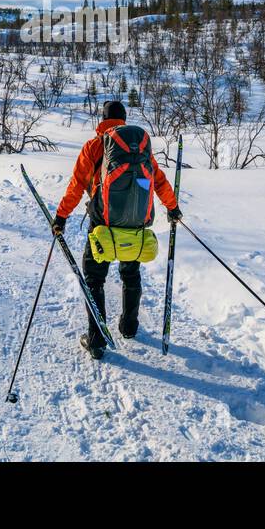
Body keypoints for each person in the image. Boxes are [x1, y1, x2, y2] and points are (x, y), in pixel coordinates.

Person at [51, 99, 182, 358]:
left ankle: (97, 340)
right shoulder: (139, 148)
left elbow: (77, 185)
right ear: (123, 119)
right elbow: (159, 180)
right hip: (135, 223)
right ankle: (129, 326)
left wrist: (61, 217)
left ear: (102, 119)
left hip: (103, 224)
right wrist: (172, 208)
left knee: (94, 278)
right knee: (130, 274)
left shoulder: (95, 145)